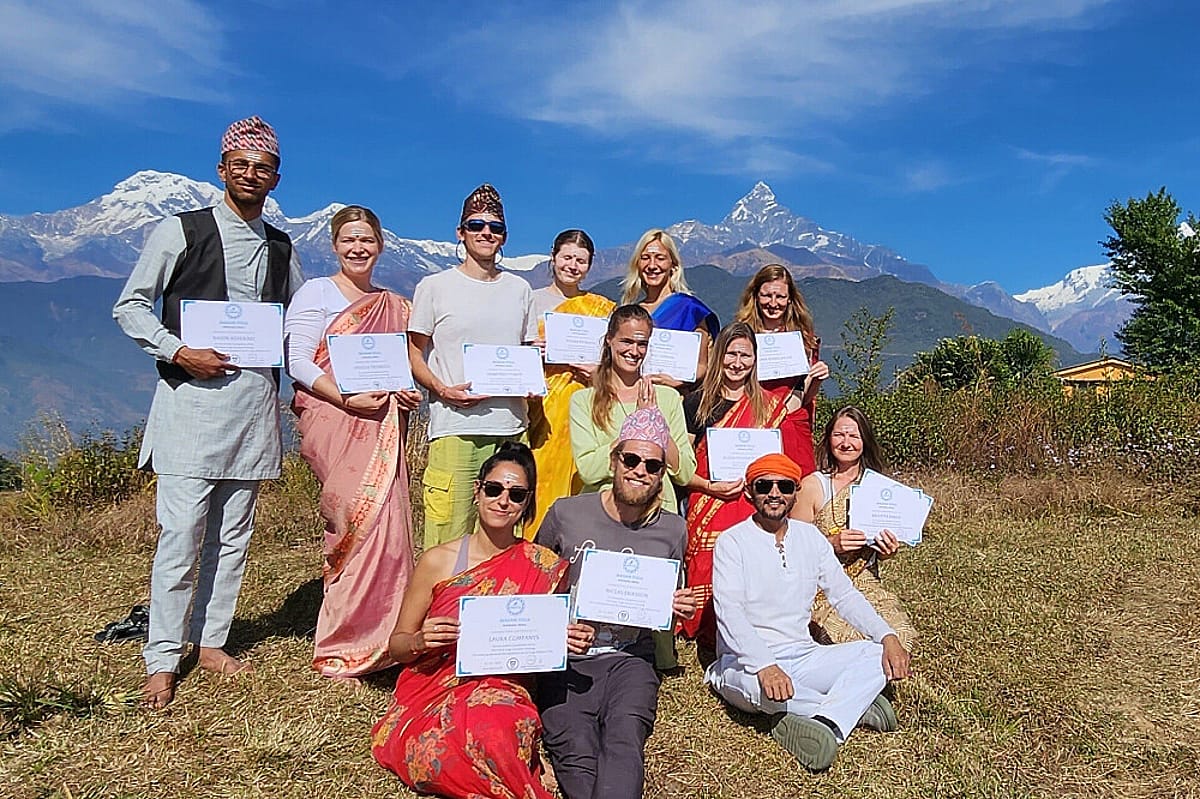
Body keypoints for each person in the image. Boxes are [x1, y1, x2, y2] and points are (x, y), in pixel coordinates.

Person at [112, 116, 305, 709]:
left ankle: (212, 640)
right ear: (221, 170)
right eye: (240, 165)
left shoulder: (279, 246)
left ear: (276, 177)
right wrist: (178, 350)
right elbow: (131, 306)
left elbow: (299, 322)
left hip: (251, 412)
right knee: (179, 537)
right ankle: (162, 657)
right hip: (189, 408)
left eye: (262, 167)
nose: (251, 175)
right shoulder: (181, 232)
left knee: (233, 536)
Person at [371, 442, 588, 799]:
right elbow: (398, 643)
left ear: (526, 504)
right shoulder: (438, 561)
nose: (503, 501)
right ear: (477, 490)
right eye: (494, 489)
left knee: (494, 726)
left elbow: (546, 642)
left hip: (504, 686)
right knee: (435, 753)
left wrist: (564, 638)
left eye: (516, 495)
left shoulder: (543, 565)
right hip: (436, 686)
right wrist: (420, 641)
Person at [285, 205, 424, 679]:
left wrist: (406, 391)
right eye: (349, 240)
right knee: (350, 517)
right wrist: (346, 398)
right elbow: (298, 361)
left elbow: (402, 366)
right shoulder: (316, 293)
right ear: (334, 245)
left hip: (383, 424)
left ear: (380, 245)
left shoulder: (395, 305)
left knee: (390, 527)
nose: (358, 248)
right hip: (334, 417)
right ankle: (343, 641)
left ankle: (387, 639)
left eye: (366, 239)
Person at [706, 453, 912, 772]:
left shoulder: (810, 538)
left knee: (875, 654)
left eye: (784, 486)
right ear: (749, 492)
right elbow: (729, 614)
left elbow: (844, 595)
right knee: (761, 691)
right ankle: (851, 705)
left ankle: (826, 722)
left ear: (795, 492)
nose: (775, 493)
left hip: (803, 655)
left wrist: (887, 636)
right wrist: (765, 665)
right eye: (764, 485)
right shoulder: (732, 543)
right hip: (744, 663)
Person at [536, 408, 697, 799]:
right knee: (574, 749)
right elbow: (531, 582)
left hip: (631, 658)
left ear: (662, 475)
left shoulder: (673, 528)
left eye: (653, 465)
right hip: (569, 659)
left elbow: (667, 594)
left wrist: (675, 605)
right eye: (631, 459)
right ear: (614, 460)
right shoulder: (566, 513)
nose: (640, 470)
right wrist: (555, 631)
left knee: (625, 740)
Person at [408, 184, 539, 549]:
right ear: (460, 232)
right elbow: (414, 353)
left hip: (510, 428)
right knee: (448, 531)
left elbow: (527, 351)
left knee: (504, 532)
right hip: (455, 427)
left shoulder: (520, 289)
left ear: (504, 237)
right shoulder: (434, 286)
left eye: (495, 227)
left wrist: (531, 381)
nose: (486, 233)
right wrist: (441, 389)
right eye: (476, 225)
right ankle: (440, 604)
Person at [679, 322, 799, 653]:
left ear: (755, 359)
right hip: (708, 497)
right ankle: (706, 624)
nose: (737, 362)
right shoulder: (697, 403)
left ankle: (757, 622)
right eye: (731, 353)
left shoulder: (769, 407)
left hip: (754, 501)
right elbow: (684, 464)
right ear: (719, 357)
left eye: (745, 355)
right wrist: (710, 486)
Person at [789, 406, 916, 648]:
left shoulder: (879, 489)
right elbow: (794, 548)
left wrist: (888, 551)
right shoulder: (812, 486)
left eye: (854, 436)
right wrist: (831, 545)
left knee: (898, 637)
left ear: (864, 441)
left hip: (864, 581)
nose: (846, 443)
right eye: (839, 435)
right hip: (821, 587)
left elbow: (879, 552)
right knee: (851, 640)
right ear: (828, 439)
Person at [526, 229, 616, 539]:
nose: (572, 266)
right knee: (539, 480)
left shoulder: (602, 309)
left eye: (581, 260)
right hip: (541, 407)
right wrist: (530, 352)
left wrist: (598, 370)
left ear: (590, 265)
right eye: (567, 257)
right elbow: (510, 353)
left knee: (581, 478)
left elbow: (615, 360)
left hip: (586, 403)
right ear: (553, 258)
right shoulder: (530, 300)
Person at [568, 305, 696, 514]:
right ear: (609, 339)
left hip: (658, 511)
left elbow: (685, 472)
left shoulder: (668, 398)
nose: (634, 351)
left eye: (642, 344)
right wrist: (638, 427)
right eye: (627, 341)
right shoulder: (583, 400)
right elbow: (588, 470)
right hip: (605, 511)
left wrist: (656, 422)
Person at [733, 265, 830, 475]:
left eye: (780, 296)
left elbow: (806, 397)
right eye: (767, 296)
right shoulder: (741, 334)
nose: (773, 303)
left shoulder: (804, 338)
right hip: (751, 419)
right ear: (756, 297)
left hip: (791, 423)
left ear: (789, 299)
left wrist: (817, 380)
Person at [620, 229, 719, 388]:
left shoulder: (690, 309)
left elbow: (702, 365)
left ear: (672, 265)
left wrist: (678, 382)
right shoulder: (632, 311)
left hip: (674, 397)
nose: (652, 265)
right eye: (645, 258)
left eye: (660, 258)